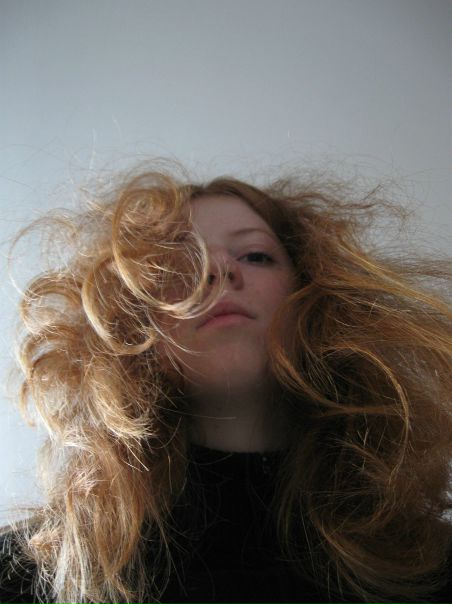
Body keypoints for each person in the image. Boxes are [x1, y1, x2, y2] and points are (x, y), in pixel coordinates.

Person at [1, 164, 451, 603]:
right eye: (178, 262)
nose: (216, 268)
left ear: (316, 298)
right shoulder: (26, 574)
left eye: (256, 256)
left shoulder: (429, 565)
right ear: (130, 325)